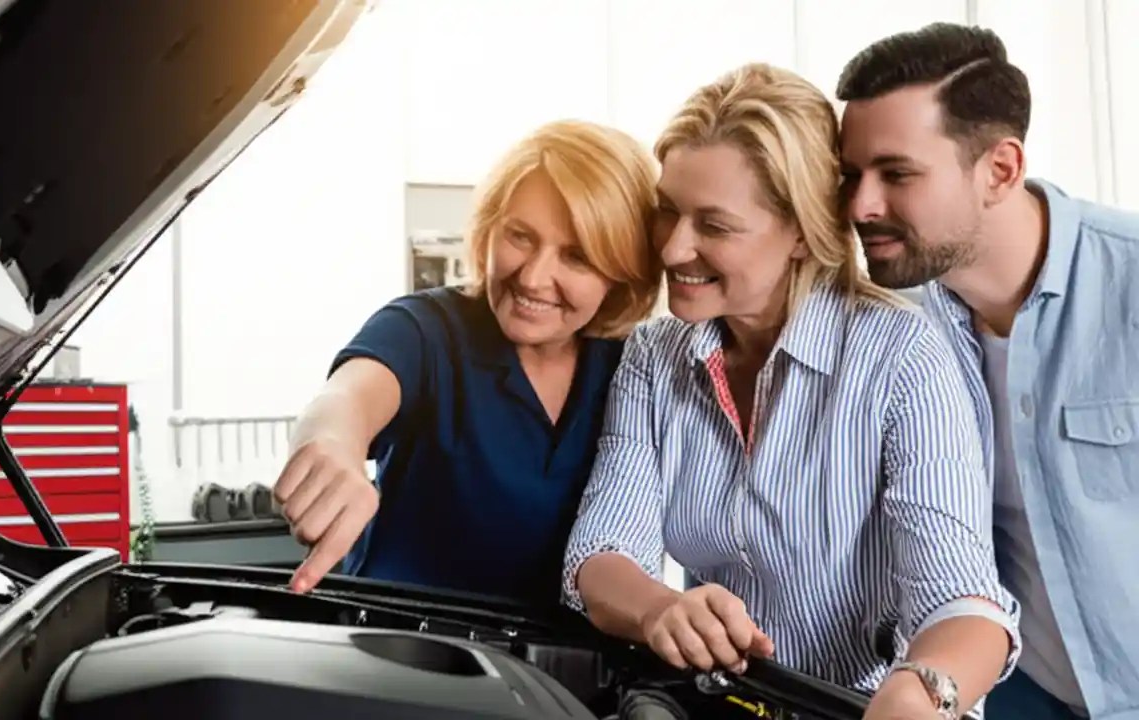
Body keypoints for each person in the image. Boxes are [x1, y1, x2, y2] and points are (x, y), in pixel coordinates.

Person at [561, 63, 1020, 720]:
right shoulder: (654, 357)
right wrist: (662, 609)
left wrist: (919, 692)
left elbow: (963, 602)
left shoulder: (901, 355)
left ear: (803, 231)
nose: (672, 247)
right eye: (668, 211)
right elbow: (600, 555)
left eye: (713, 226)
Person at [837, 22, 1139, 720]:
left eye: (897, 173)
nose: (861, 206)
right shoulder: (895, 329)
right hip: (1015, 698)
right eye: (851, 174)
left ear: (1000, 169)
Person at [273, 119, 663, 606]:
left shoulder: (631, 369)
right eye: (520, 236)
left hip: (551, 675)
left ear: (622, 277)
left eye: (577, 258)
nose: (535, 278)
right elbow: (347, 397)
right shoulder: (426, 329)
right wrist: (332, 444)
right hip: (399, 661)